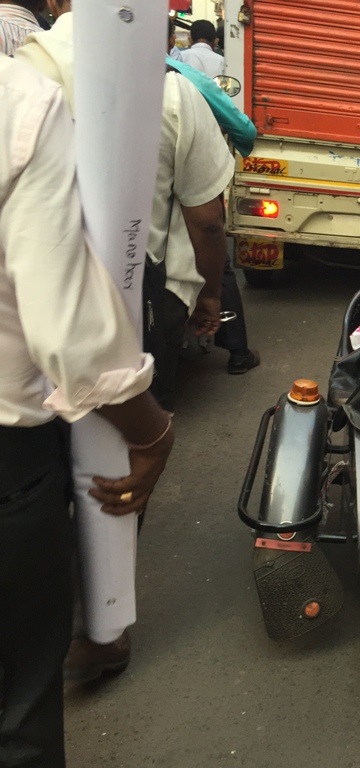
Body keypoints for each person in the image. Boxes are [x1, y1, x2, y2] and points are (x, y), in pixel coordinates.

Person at [16, 10, 235, 679]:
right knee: (121, 460)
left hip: (19, 320)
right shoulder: (176, 97)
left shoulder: (21, 80)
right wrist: (210, 295)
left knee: (40, 468)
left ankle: (70, 609)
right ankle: (106, 620)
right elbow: (206, 218)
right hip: (145, 299)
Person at [0, 55, 174, 768]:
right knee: (19, 710)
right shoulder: (19, 102)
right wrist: (151, 431)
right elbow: (64, 327)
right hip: (10, 459)